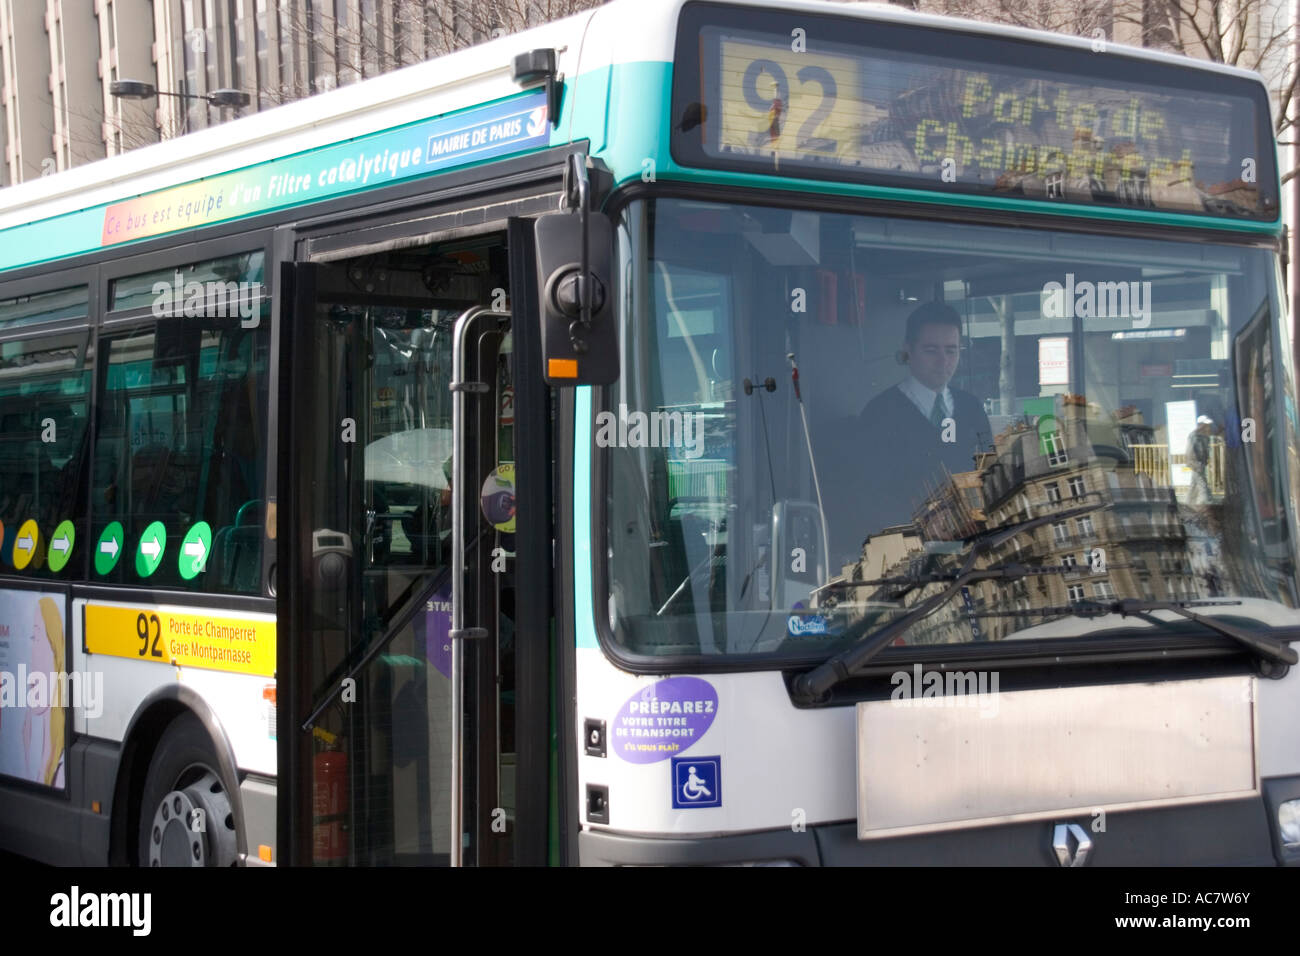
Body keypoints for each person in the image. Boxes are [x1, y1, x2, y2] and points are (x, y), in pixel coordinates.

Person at [829, 302, 992, 560]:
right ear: (908, 351)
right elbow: (867, 494)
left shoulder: (972, 408)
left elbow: (988, 474)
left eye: (951, 351)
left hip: (969, 551)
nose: (943, 361)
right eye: (931, 350)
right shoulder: (880, 413)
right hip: (906, 555)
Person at [1185, 415, 1213, 505]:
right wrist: (1194, 463)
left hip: (1201, 463)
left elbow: (1205, 450)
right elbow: (1190, 451)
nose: (1208, 426)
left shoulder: (1204, 436)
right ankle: (1205, 502)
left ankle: (1188, 502)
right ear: (1200, 424)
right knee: (1202, 484)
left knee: (1194, 484)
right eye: (1205, 424)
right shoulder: (1194, 436)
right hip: (1196, 463)